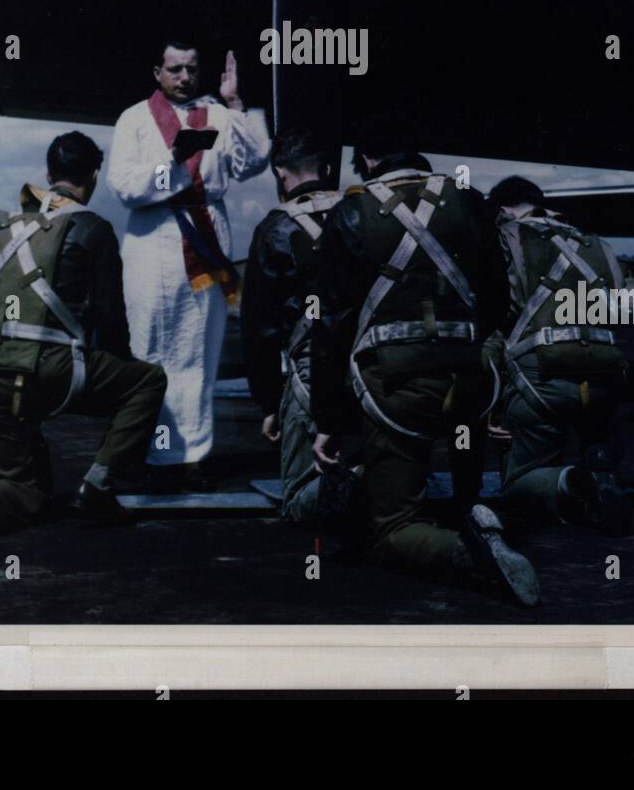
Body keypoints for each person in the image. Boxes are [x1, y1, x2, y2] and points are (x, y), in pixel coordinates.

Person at [309, 119, 540, 605]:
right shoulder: (471, 200)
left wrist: (328, 420)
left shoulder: (350, 211)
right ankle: (473, 510)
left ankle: (470, 553)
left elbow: (332, 325)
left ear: (369, 160)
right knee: (462, 459)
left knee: (390, 529)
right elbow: (498, 300)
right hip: (472, 379)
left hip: (397, 386)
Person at [0, 131, 167, 552]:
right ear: (93, 176)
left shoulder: (1, 229)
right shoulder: (92, 228)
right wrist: (115, 373)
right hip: (51, 375)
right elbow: (110, 319)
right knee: (146, 382)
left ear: (48, 173)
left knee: (29, 492)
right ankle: (100, 481)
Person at [107, 40, 270, 488]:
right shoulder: (134, 119)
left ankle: (192, 456)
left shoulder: (217, 114)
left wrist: (237, 104)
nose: (184, 78)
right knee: (149, 349)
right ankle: (150, 451)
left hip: (205, 231)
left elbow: (252, 163)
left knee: (199, 350)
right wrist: (172, 161)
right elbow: (123, 185)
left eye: (192, 70)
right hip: (153, 233)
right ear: (156, 71)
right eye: (175, 69)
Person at [488, 176, 631, 536]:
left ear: (503, 209)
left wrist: (491, 405)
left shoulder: (505, 238)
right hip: (605, 370)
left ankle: (577, 482)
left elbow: (495, 320)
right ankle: (599, 467)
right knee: (596, 428)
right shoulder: (599, 245)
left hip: (542, 374)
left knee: (519, 485)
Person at [240, 128, 363, 532]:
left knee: (296, 501)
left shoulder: (273, 230)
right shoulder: (362, 214)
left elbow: (260, 330)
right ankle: (379, 480)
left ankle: (359, 485)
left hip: (310, 370)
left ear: (279, 171)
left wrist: (268, 404)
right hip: (370, 362)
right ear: (326, 168)